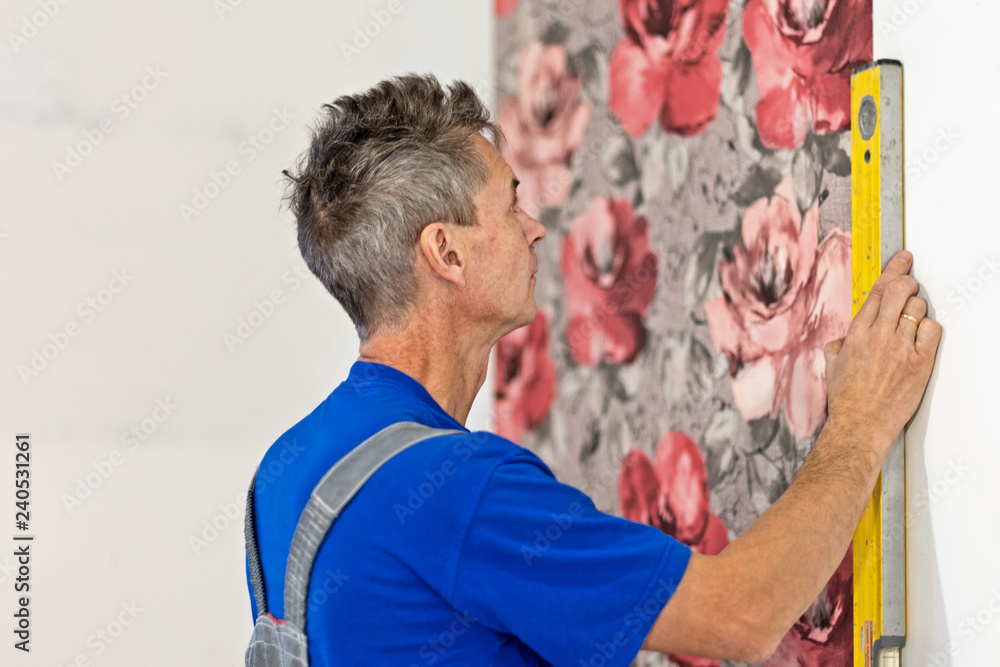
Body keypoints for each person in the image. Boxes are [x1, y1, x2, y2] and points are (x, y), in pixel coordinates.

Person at [246, 73, 941, 666]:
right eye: (509, 200)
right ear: (447, 254)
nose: (535, 226)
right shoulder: (462, 490)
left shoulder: (286, 474)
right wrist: (859, 422)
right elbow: (742, 615)